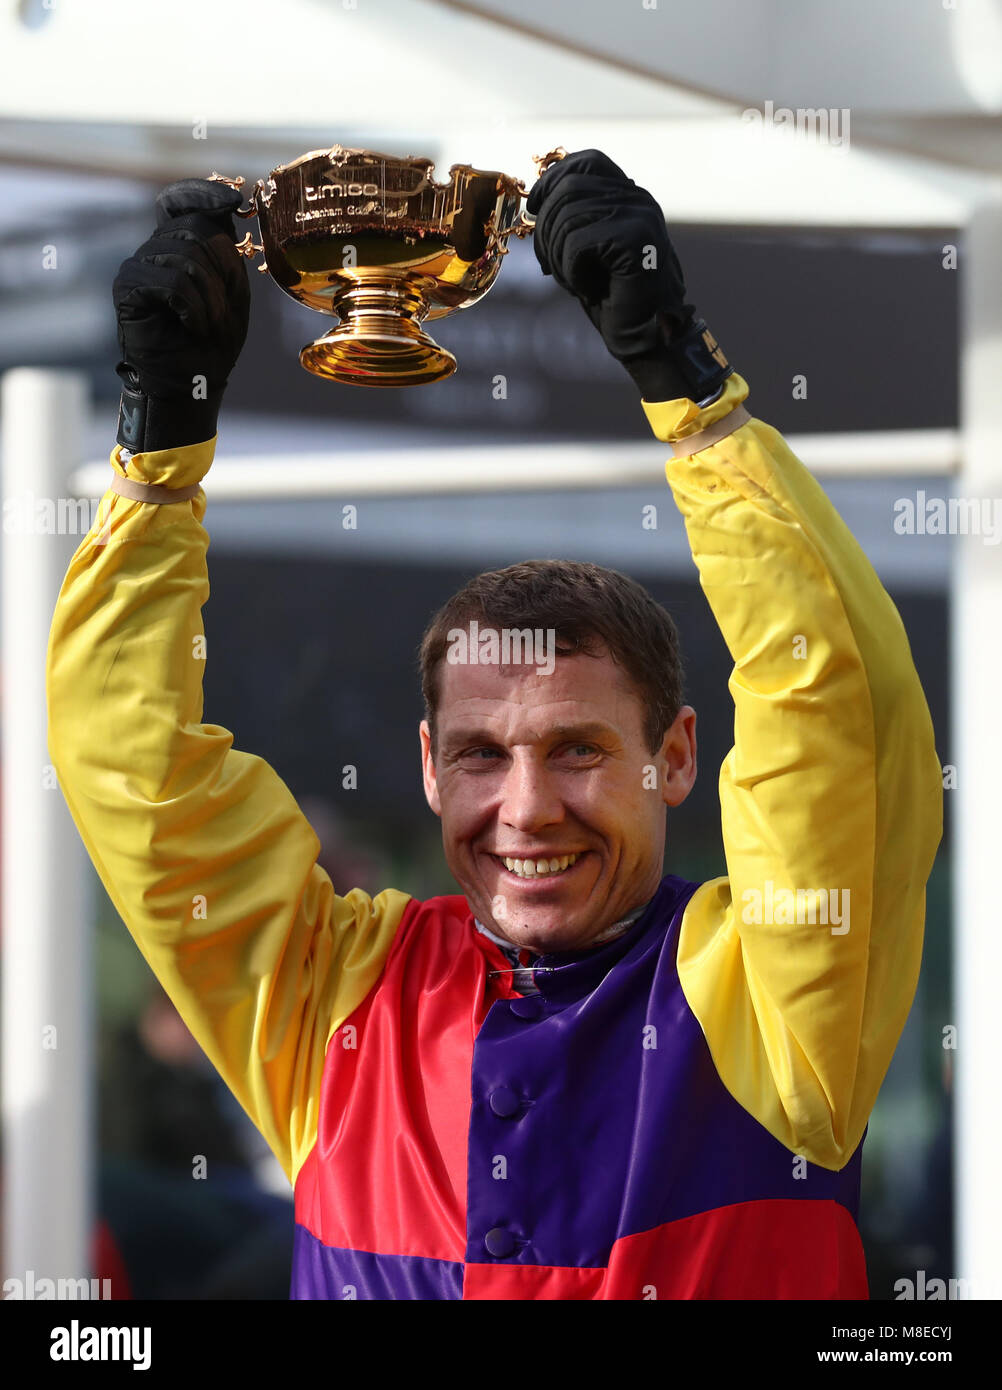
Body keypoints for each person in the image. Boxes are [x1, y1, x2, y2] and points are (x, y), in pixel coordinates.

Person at [46, 150, 943, 1300]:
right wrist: (159, 451)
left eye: (577, 748)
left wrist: (691, 393)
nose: (526, 809)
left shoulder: (767, 997)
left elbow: (838, 712)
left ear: (674, 756)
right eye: (481, 753)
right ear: (427, 766)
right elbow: (129, 768)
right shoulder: (336, 998)